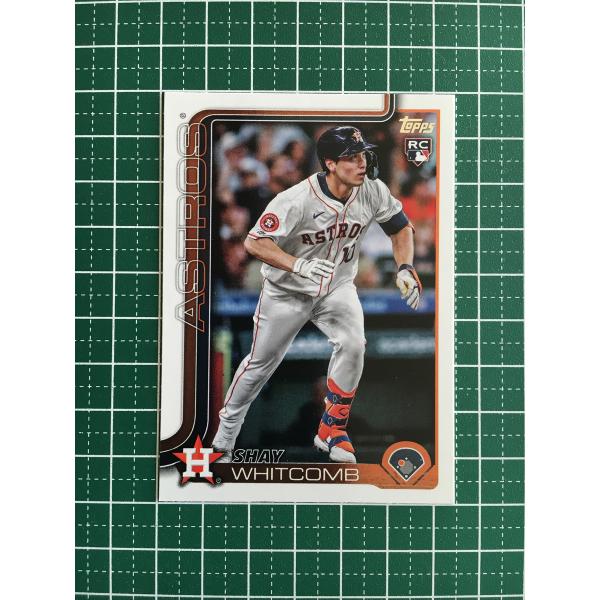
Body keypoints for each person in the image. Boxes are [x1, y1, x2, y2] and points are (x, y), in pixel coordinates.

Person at [212, 126, 422, 464]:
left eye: (363, 155)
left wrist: (405, 267)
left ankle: (332, 429)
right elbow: (254, 242)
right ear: (330, 164)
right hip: (287, 290)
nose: (362, 163)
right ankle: (223, 440)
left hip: (336, 286)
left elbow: (400, 228)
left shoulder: (372, 190)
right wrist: (298, 265)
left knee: (354, 344)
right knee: (260, 365)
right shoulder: (296, 199)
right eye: (351, 157)